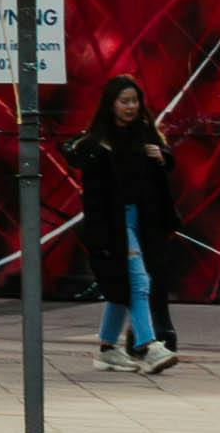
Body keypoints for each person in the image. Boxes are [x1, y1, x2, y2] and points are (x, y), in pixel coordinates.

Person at [74, 77, 187, 371]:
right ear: (111, 104)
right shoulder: (97, 142)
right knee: (138, 281)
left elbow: (162, 171)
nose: (131, 107)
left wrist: (161, 158)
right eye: (124, 101)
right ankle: (148, 346)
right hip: (115, 222)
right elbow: (88, 173)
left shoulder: (145, 133)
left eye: (134, 101)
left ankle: (108, 347)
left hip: (143, 219)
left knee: (123, 284)